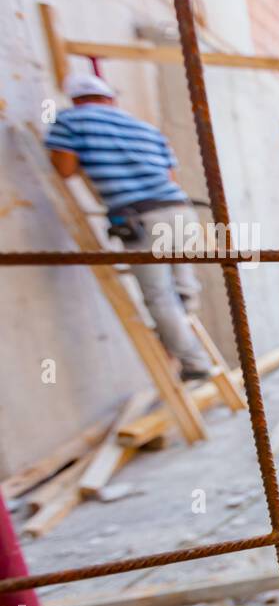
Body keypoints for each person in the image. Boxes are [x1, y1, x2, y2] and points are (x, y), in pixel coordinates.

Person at [45, 72, 212, 381]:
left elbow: (64, 170)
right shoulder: (145, 128)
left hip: (140, 217)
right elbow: (170, 178)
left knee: (160, 296)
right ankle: (180, 337)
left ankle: (194, 362)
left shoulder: (70, 121)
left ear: (75, 99)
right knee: (183, 288)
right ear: (110, 98)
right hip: (180, 211)